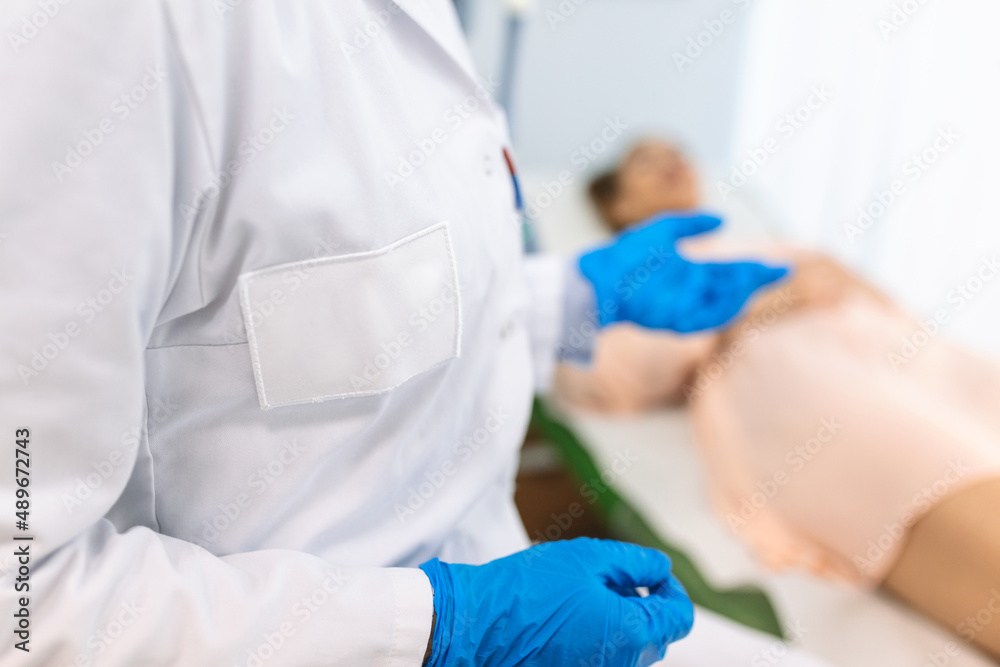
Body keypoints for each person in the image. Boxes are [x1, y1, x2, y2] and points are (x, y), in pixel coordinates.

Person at [0, 4, 790, 665]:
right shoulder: (105, 30)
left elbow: (318, 318)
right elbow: (22, 600)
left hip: (495, 580)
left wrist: (573, 297)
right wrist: (446, 627)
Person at [556, 138, 1000, 658]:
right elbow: (601, 377)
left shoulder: (777, 246)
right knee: (932, 457)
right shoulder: (638, 274)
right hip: (811, 381)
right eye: (645, 162)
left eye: (676, 152)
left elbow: (884, 305)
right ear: (618, 204)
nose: (671, 161)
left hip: (919, 362)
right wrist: (760, 303)